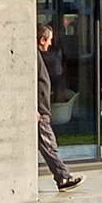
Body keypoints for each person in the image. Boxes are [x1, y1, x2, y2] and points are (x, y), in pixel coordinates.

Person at [37, 24, 82, 192]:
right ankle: (63, 178)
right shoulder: (35, 57)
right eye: (49, 40)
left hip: (41, 110)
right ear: (42, 40)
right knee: (49, 145)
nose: (50, 44)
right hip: (40, 112)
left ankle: (62, 177)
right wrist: (36, 108)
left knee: (47, 145)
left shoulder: (39, 56)